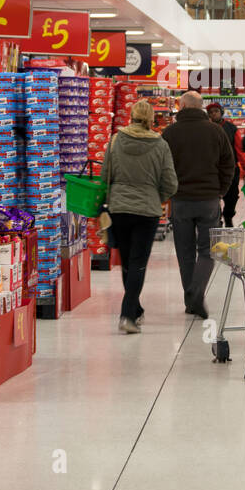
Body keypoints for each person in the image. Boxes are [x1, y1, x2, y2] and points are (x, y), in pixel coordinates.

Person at [101, 99, 178, 334]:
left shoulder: (115, 141)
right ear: (151, 119)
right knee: (138, 264)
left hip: (119, 208)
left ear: (131, 116)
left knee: (127, 262)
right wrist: (156, 196)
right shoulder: (160, 145)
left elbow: (105, 176)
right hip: (147, 210)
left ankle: (135, 310)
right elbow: (171, 183)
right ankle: (127, 314)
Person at [161, 90, 235, 318]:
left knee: (184, 252)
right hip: (209, 200)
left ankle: (191, 298)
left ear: (181, 107)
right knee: (207, 250)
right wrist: (219, 191)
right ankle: (197, 293)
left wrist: (168, 193)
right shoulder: (216, 131)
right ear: (201, 108)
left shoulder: (169, 133)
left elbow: (163, 167)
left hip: (180, 200)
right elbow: (228, 165)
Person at [206, 102, 245, 227]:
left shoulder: (231, 128)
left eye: (216, 111)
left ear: (221, 112)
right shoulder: (206, 128)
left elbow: (239, 150)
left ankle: (228, 216)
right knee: (214, 196)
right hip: (212, 169)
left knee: (232, 196)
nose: (214, 114)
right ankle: (217, 218)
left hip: (231, 169)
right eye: (211, 112)